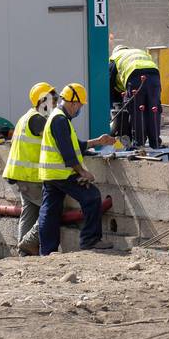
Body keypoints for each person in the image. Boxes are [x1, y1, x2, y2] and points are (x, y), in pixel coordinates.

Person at [37, 83, 115, 255]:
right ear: (73, 103)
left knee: (50, 211)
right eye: (80, 105)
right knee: (92, 196)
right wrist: (83, 172)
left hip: (51, 174)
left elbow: (75, 145)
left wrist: (97, 141)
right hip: (62, 173)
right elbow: (68, 153)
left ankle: (47, 251)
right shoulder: (60, 120)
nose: (80, 109)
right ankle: (90, 240)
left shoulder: (59, 118)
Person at [1, 81, 56, 257]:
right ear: (42, 101)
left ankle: (23, 253)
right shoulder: (38, 119)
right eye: (51, 99)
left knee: (30, 212)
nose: (54, 103)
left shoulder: (25, 117)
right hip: (31, 176)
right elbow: (54, 140)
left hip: (19, 174)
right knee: (50, 209)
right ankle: (29, 243)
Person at [109, 44, 163, 148]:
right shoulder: (140, 52)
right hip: (154, 77)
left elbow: (110, 83)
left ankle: (139, 144)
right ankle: (155, 143)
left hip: (135, 76)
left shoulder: (114, 58)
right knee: (154, 110)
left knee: (136, 111)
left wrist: (114, 102)